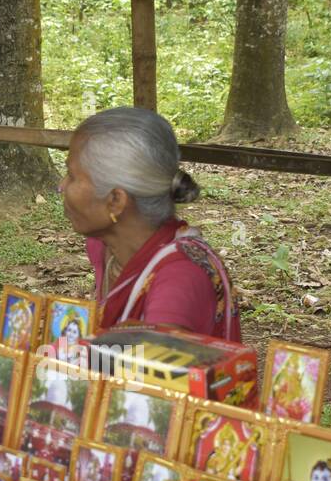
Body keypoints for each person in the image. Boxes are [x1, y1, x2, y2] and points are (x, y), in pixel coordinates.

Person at [60, 108, 241, 341]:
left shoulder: (178, 280)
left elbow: (154, 372)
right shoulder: (103, 246)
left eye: (71, 175)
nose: (61, 186)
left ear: (116, 201)